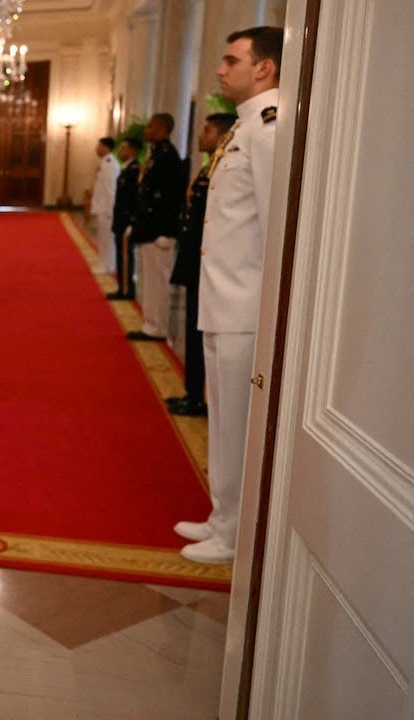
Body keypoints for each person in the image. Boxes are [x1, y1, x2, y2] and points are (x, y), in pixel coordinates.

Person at [175, 26, 282, 565]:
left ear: (263, 67)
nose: (221, 70)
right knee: (222, 419)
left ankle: (237, 531)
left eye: (231, 59)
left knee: (238, 424)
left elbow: (276, 227)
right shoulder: (246, 128)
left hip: (245, 306)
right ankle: (222, 516)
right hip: (222, 299)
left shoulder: (268, 128)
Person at [166, 112, 238, 417]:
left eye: (207, 130)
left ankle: (199, 396)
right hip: (197, 263)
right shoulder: (210, 168)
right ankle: (193, 392)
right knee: (195, 332)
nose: (200, 135)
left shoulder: (221, 169)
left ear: (221, 135)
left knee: (202, 333)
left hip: (207, 265)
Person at [127, 113, 187, 342]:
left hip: (158, 231)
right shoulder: (156, 154)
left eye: (151, 126)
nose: (146, 130)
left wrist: (165, 231)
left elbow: (171, 199)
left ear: (162, 130)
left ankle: (158, 327)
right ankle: (150, 324)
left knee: (158, 283)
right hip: (148, 228)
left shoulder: (168, 157)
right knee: (149, 281)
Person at [107, 137, 142, 300]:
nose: (121, 151)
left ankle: (126, 290)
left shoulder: (134, 170)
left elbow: (134, 199)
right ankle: (122, 287)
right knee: (121, 256)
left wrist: (131, 222)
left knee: (126, 257)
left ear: (133, 151)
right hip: (121, 220)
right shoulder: (126, 169)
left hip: (126, 221)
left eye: (124, 148)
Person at [90, 137, 121, 274]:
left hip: (106, 209)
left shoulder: (109, 163)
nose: (97, 149)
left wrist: (110, 210)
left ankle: (106, 265)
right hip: (102, 207)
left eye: (99, 146)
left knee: (107, 240)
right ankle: (105, 264)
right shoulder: (105, 162)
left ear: (106, 148)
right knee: (103, 239)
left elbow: (111, 188)